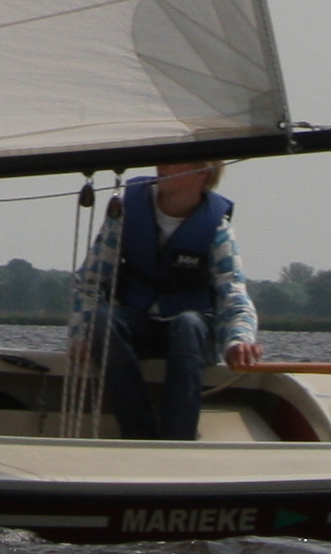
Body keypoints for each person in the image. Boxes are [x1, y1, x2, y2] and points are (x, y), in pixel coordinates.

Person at [78, 159, 260, 441]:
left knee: (187, 324)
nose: (162, 165)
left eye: (176, 160)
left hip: (191, 333)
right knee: (105, 320)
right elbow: (90, 280)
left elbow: (233, 294)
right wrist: (80, 334)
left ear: (203, 171)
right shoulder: (126, 213)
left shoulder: (217, 229)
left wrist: (239, 340)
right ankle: (138, 433)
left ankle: (178, 439)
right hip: (140, 326)